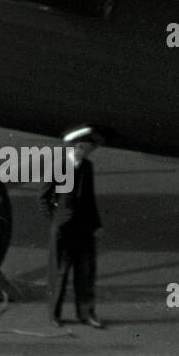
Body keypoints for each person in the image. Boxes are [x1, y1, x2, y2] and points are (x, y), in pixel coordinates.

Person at [40, 126, 103, 328]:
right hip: (63, 229)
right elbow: (43, 197)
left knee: (85, 272)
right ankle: (54, 314)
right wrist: (55, 221)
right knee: (59, 272)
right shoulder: (58, 166)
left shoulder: (87, 167)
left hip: (85, 228)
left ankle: (86, 314)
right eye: (85, 147)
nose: (87, 152)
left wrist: (97, 224)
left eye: (89, 149)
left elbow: (90, 198)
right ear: (77, 146)